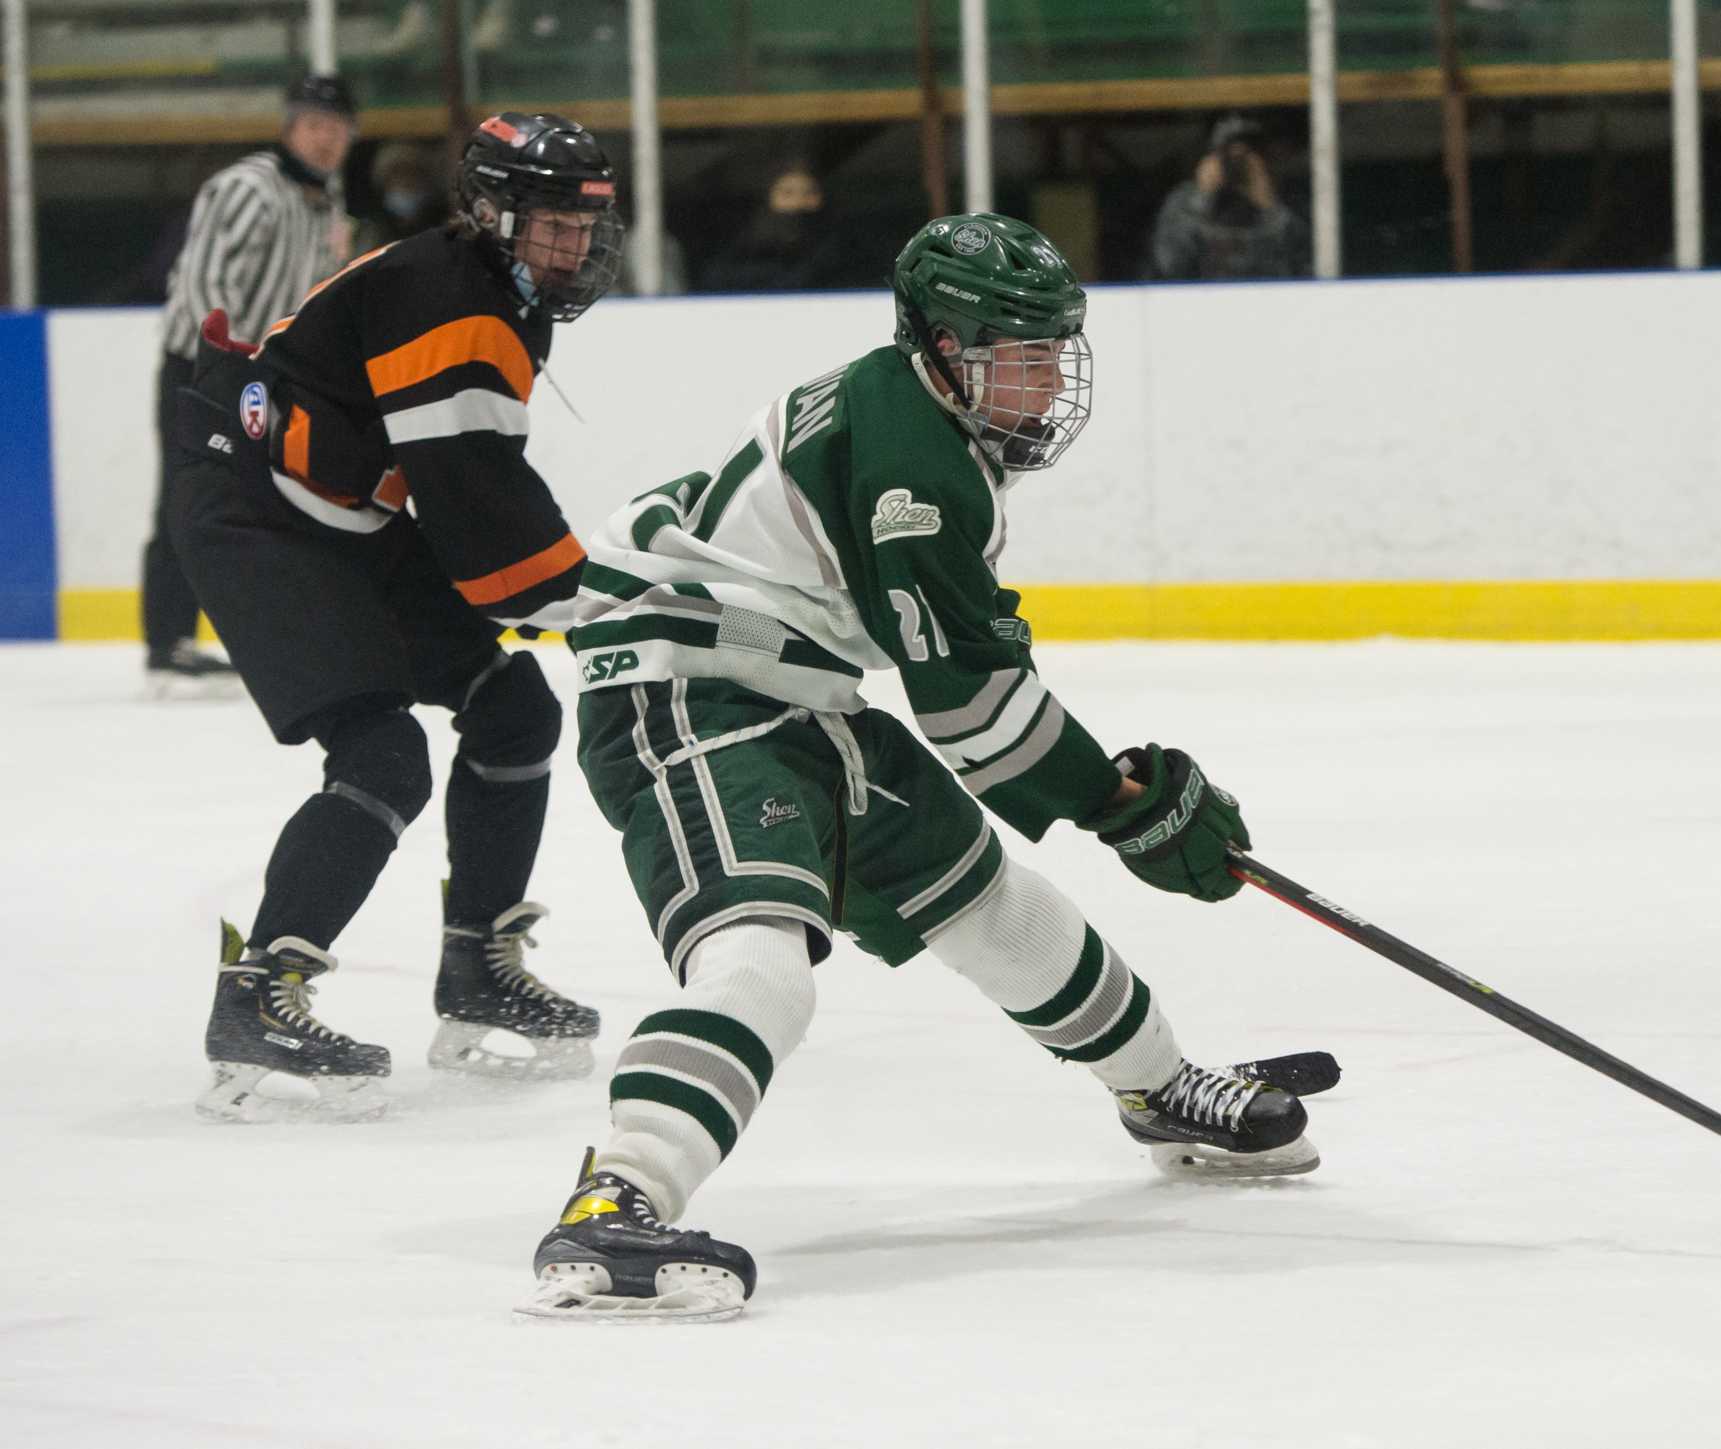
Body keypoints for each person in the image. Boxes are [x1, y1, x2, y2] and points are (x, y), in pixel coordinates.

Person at [519, 213, 1318, 1322]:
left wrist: (1114, 795)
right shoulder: (916, 469)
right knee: (759, 965)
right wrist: (1118, 804)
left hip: (796, 692)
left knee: (988, 904)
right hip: (685, 693)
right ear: (942, 347)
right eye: (1016, 359)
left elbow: (964, 667)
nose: (1042, 386)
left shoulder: (912, 409)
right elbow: (971, 710)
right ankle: (614, 1204)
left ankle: (1159, 1088)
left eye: (1053, 355)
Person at [166, 112, 627, 1123]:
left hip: (337, 513)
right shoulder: (448, 302)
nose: (574, 246)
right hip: (253, 510)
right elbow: (476, 504)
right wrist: (595, 601)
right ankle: (257, 998)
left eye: (585, 225)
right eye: (551, 224)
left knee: (514, 711)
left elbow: (466, 496)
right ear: (491, 214)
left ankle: (476, 967)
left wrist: (574, 593)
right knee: (381, 756)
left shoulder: (495, 293)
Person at [145, 74, 359, 698]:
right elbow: (205, 284)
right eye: (315, 126)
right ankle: (167, 641)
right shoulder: (245, 187)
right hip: (205, 369)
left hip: (266, 377)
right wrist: (227, 365)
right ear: (289, 126)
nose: (326, 140)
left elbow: (315, 294)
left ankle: (269, 632)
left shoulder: (324, 203)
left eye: (338, 129)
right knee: (188, 496)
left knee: (276, 500)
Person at [1149, 114, 1311, 282]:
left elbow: (1308, 266)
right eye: (1228, 155)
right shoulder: (1185, 200)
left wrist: (1270, 207)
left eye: (1248, 155)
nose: (1237, 164)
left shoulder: (1291, 198)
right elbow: (1169, 266)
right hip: (1202, 299)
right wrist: (1202, 199)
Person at [697, 160, 860, 293]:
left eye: (810, 193)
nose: (799, 202)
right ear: (769, 198)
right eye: (787, 193)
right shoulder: (743, 250)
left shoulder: (842, 248)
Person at [354, 142, 449, 251]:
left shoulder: (442, 227)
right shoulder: (371, 232)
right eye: (398, 175)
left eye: (412, 174)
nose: (406, 182)